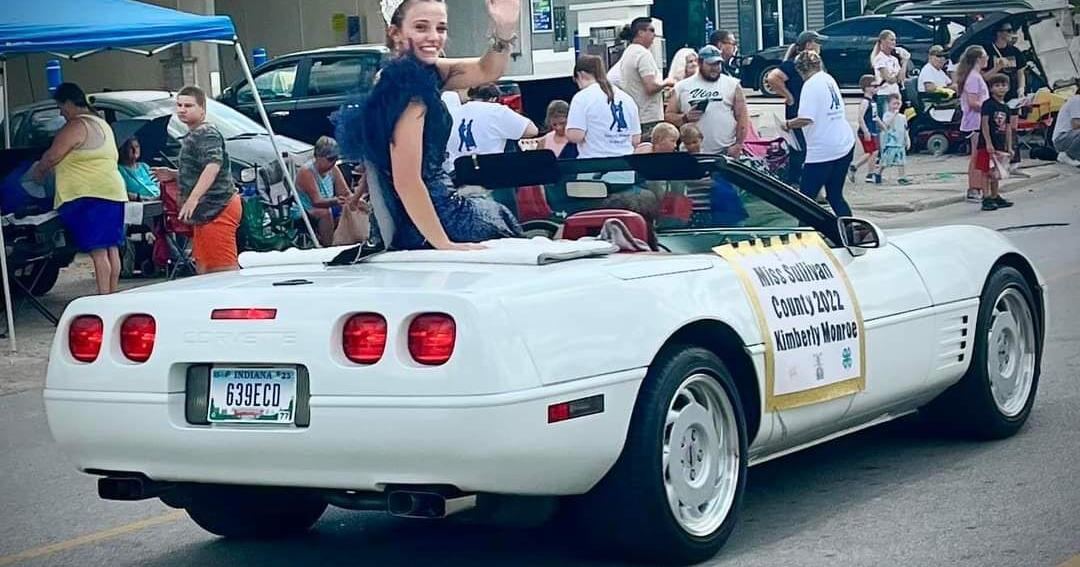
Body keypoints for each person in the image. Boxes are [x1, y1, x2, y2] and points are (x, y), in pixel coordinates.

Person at [333, 0, 523, 251]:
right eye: (421, 27)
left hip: (420, 215)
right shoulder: (409, 91)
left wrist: (504, 29)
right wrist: (443, 243)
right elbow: (407, 179)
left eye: (441, 28)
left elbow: (485, 70)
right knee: (501, 221)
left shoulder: (415, 73)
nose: (434, 37)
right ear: (395, 33)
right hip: (434, 219)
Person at [29, 82, 126, 295]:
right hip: (113, 192)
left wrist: (36, 174)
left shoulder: (76, 125)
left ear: (70, 103)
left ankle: (103, 298)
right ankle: (112, 294)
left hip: (88, 195)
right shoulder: (102, 124)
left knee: (98, 251)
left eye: (61, 107)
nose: (61, 113)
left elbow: (53, 155)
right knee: (112, 248)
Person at [153, 86, 241, 273]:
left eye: (188, 105)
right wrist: (175, 174)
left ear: (202, 109)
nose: (182, 109)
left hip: (217, 208)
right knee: (205, 268)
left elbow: (213, 165)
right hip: (207, 211)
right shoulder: (196, 133)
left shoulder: (206, 133)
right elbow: (203, 169)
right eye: (179, 105)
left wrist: (193, 198)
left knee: (222, 270)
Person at [781, 51, 854, 217]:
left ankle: (804, 234)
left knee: (806, 200)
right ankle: (851, 229)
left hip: (823, 150)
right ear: (819, 64)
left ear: (800, 71)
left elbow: (807, 118)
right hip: (844, 143)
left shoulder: (810, 85)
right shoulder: (828, 79)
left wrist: (787, 124)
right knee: (835, 195)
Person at [665, 45, 748, 158]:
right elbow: (668, 116)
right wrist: (685, 118)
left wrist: (738, 145)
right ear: (700, 63)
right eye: (711, 64)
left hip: (724, 152)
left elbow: (742, 117)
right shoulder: (681, 86)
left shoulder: (732, 85)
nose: (715, 68)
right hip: (692, 152)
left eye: (718, 64)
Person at [766, 30, 825, 187]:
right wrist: (788, 96)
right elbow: (772, 78)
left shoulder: (815, 65)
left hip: (811, 112)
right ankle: (794, 181)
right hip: (797, 111)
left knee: (810, 147)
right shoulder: (793, 63)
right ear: (808, 44)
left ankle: (809, 183)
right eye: (817, 42)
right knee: (799, 148)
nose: (820, 46)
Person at [444, 82, 538, 172]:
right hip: (491, 173)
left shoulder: (453, 113)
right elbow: (532, 131)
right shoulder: (496, 111)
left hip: (458, 174)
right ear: (494, 99)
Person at [609, 17, 674, 140]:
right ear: (640, 32)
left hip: (633, 116)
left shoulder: (628, 52)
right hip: (648, 118)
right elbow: (650, 87)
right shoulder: (643, 54)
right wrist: (667, 82)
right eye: (651, 30)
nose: (654, 35)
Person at [566, 55, 642, 158]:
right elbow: (635, 139)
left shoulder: (581, 98)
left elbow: (576, 136)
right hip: (625, 165)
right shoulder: (627, 98)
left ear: (581, 74)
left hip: (594, 165)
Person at [294, 136, 352, 246]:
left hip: (328, 204)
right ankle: (328, 245)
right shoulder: (306, 172)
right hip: (306, 209)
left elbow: (345, 192)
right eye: (330, 159)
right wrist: (336, 201)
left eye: (335, 159)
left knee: (351, 207)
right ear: (318, 157)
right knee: (325, 213)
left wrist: (354, 199)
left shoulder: (333, 169)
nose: (333, 162)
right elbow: (316, 201)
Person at [982, 22, 1026, 167]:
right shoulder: (988, 51)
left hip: (1012, 93)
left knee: (1012, 127)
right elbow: (983, 76)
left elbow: (1021, 72)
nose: (1010, 33)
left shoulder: (1015, 51)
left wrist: (1021, 88)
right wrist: (997, 67)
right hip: (994, 96)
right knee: (997, 127)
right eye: (1008, 31)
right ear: (999, 33)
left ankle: (1014, 160)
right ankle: (998, 159)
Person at [976, 74, 1017, 211]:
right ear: (991, 88)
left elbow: (1008, 127)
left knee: (997, 172)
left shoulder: (1005, 107)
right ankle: (986, 197)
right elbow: (985, 124)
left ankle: (995, 195)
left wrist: (1009, 146)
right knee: (986, 171)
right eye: (997, 86)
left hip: (1000, 144)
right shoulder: (988, 104)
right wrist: (988, 143)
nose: (1001, 88)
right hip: (987, 144)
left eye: (1003, 85)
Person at [956, 46, 990, 203]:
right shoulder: (973, 78)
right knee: (976, 155)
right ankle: (973, 188)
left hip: (979, 120)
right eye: (985, 56)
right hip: (975, 121)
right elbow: (973, 102)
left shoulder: (976, 76)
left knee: (980, 155)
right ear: (978, 58)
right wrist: (989, 107)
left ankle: (980, 187)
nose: (987, 58)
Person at [849, 75, 882, 184]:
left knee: (872, 152)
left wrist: (883, 126)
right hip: (866, 130)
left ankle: (855, 167)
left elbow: (875, 116)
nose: (877, 88)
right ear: (867, 87)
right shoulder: (865, 101)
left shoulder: (872, 101)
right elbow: (860, 117)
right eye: (874, 86)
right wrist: (866, 131)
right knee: (873, 151)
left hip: (872, 128)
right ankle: (868, 173)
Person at [871, 30, 910, 118]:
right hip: (884, 94)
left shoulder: (894, 59)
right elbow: (889, 79)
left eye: (894, 40)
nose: (894, 42)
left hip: (895, 93)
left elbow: (901, 78)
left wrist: (905, 62)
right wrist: (897, 77)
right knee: (886, 121)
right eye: (891, 40)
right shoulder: (880, 59)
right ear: (883, 41)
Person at [878, 93, 912, 185]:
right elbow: (886, 125)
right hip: (891, 142)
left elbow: (905, 129)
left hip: (900, 142)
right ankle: (878, 174)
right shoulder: (887, 115)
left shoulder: (903, 117)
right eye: (894, 104)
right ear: (889, 104)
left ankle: (902, 177)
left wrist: (907, 139)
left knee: (901, 160)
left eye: (898, 103)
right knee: (886, 160)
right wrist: (894, 115)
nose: (896, 106)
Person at [1051, 94, 1080, 166]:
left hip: (1072, 138)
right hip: (1061, 139)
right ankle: (1067, 155)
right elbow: (1076, 125)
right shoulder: (1077, 100)